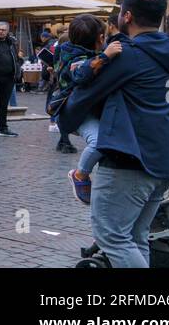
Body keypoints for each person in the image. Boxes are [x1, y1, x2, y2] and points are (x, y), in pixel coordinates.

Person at [60, 0, 169, 268]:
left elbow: (82, 95)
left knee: (113, 238)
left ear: (127, 16)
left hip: (128, 159)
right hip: (163, 158)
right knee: (137, 237)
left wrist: (64, 116)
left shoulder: (128, 54)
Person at [49, 14, 118, 203]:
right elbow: (81, 74)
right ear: (99, 38)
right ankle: (80, 174)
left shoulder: (70, 50)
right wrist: (105, 56)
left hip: (87, 108)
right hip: (77, 111)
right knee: (98, 142)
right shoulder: (76, 56)